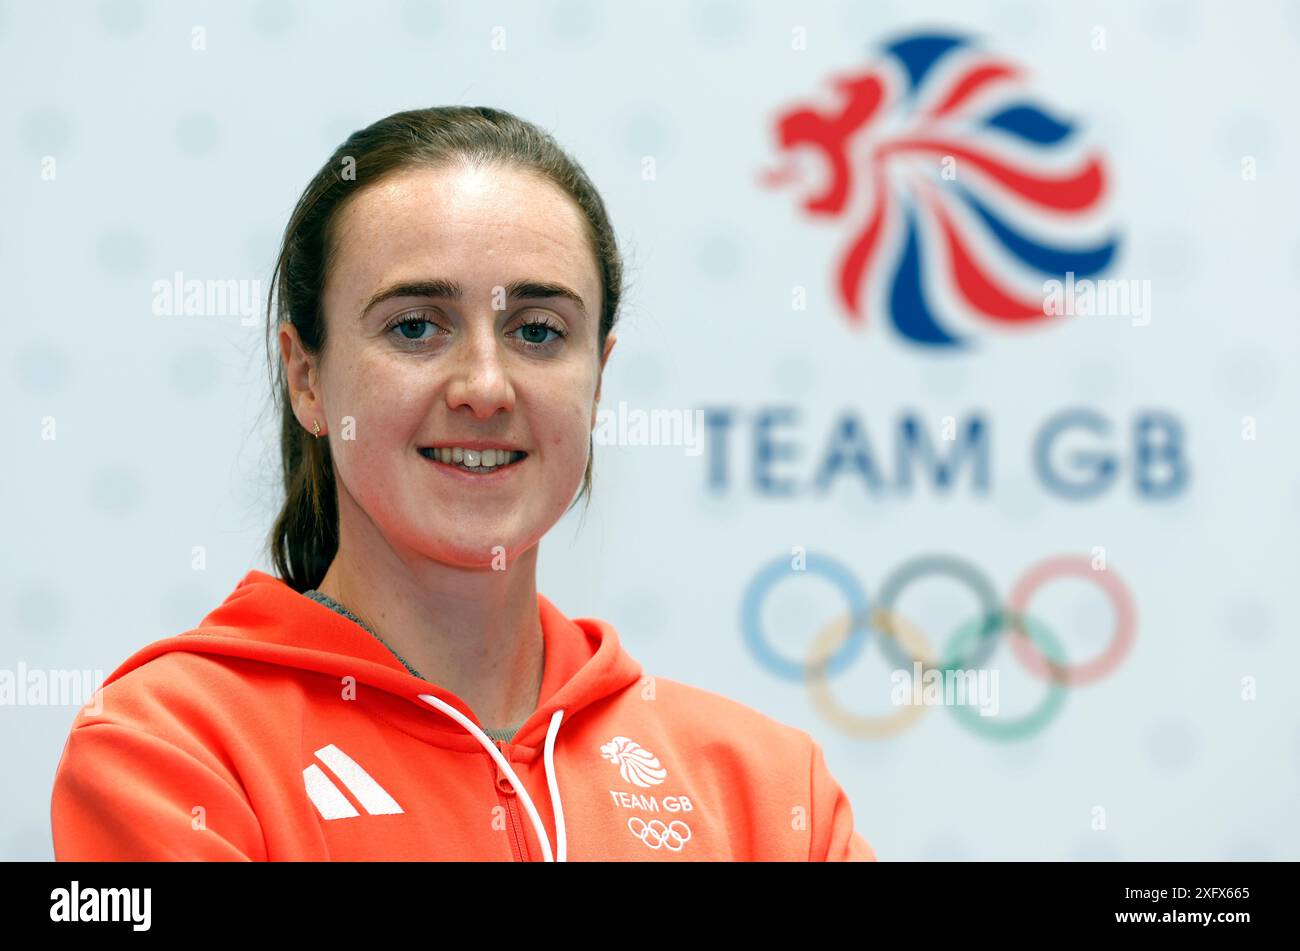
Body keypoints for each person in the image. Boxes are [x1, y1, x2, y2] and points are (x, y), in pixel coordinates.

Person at [49, 106, 876, 861]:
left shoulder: (767, 793)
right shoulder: (171, 752)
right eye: (415, 326)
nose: (485, 383)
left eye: (539, 331)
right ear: (307, 377)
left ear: (598, 379)